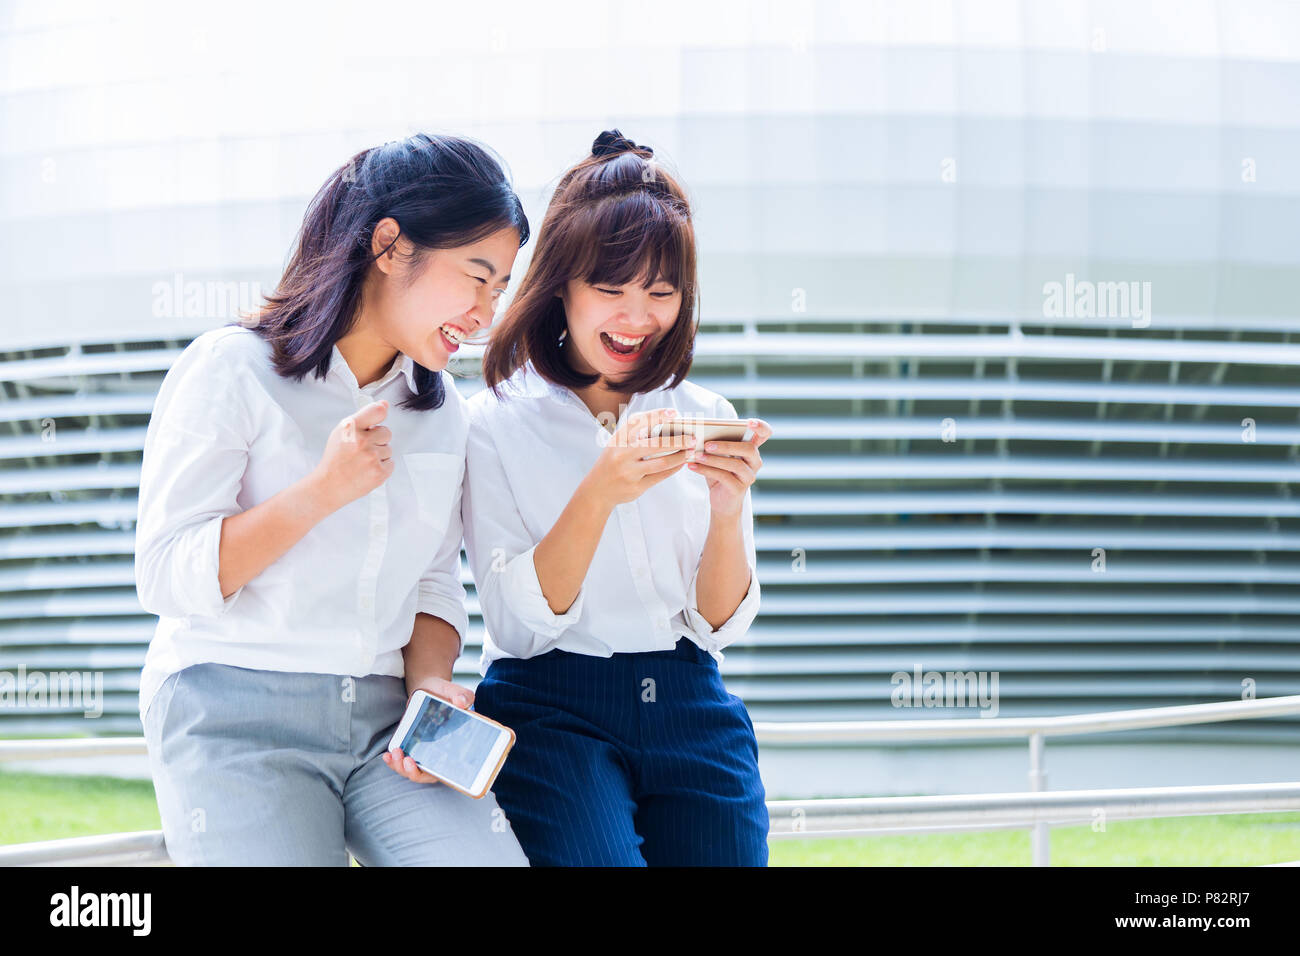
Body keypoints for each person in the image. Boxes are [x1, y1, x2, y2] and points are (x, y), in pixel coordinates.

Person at [135, 133, 530, 866]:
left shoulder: (440, 414)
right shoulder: (231, 369)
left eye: (500, 287)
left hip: (387, 720)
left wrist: (431, 689)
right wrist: (320, 493)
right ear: (389, 245)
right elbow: (165, 574)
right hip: (232, 710)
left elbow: (435, 583)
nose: (485, 312)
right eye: (476, 277)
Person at [460, 129, 773, 866]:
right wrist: (600, 490)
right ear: (559, 285)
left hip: (689, 695)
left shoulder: (706, 408)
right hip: (549, 703)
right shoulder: (492, 424)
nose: (637, 318)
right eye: (610, 290)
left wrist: (727, 509)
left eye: (660, 293)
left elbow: (720, 624)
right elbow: (517, 624)